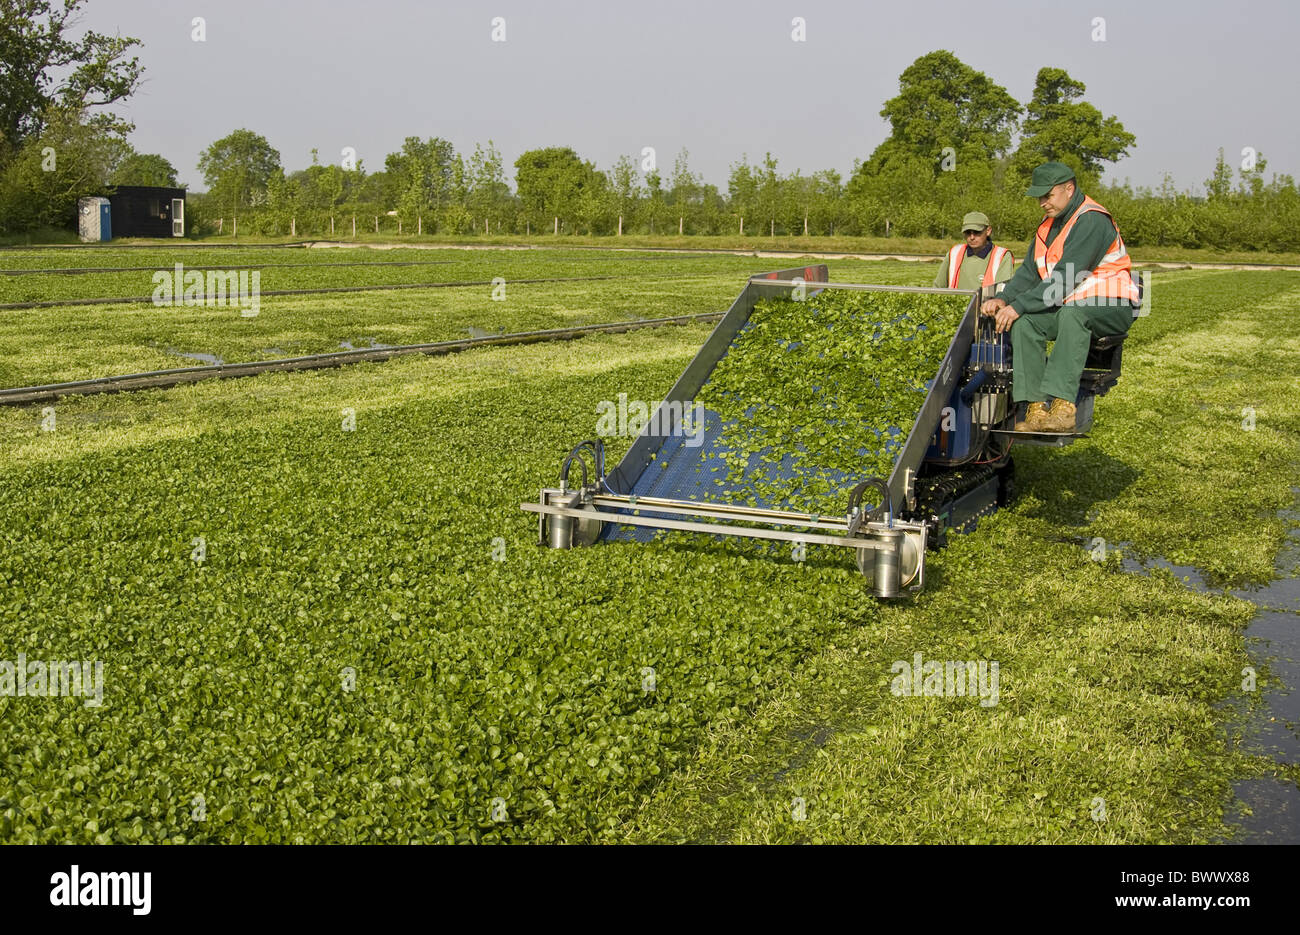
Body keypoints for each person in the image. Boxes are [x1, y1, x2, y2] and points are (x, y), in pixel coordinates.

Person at [980, 162, 1139, 433]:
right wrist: (1005, 299)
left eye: (1048, 195)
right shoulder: (1048, 227)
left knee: (1071, 314)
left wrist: (1020, 305)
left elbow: (1066, 278)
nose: (1042, 203)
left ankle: (1064, 407)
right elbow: (1030, 272)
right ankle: (1036, 409)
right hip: (1073, 303)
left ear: (1069, 188)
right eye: (1040, 197)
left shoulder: (1092, 219)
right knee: (1026, 324)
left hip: (1111, 304)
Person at [932, 211, 1015, 292]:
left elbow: (1003, 294)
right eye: (968, 233)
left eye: (977, 232)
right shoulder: (954, 253)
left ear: (988, 231)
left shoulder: (1002, 256)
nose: (972, 237)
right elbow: (938, 287)